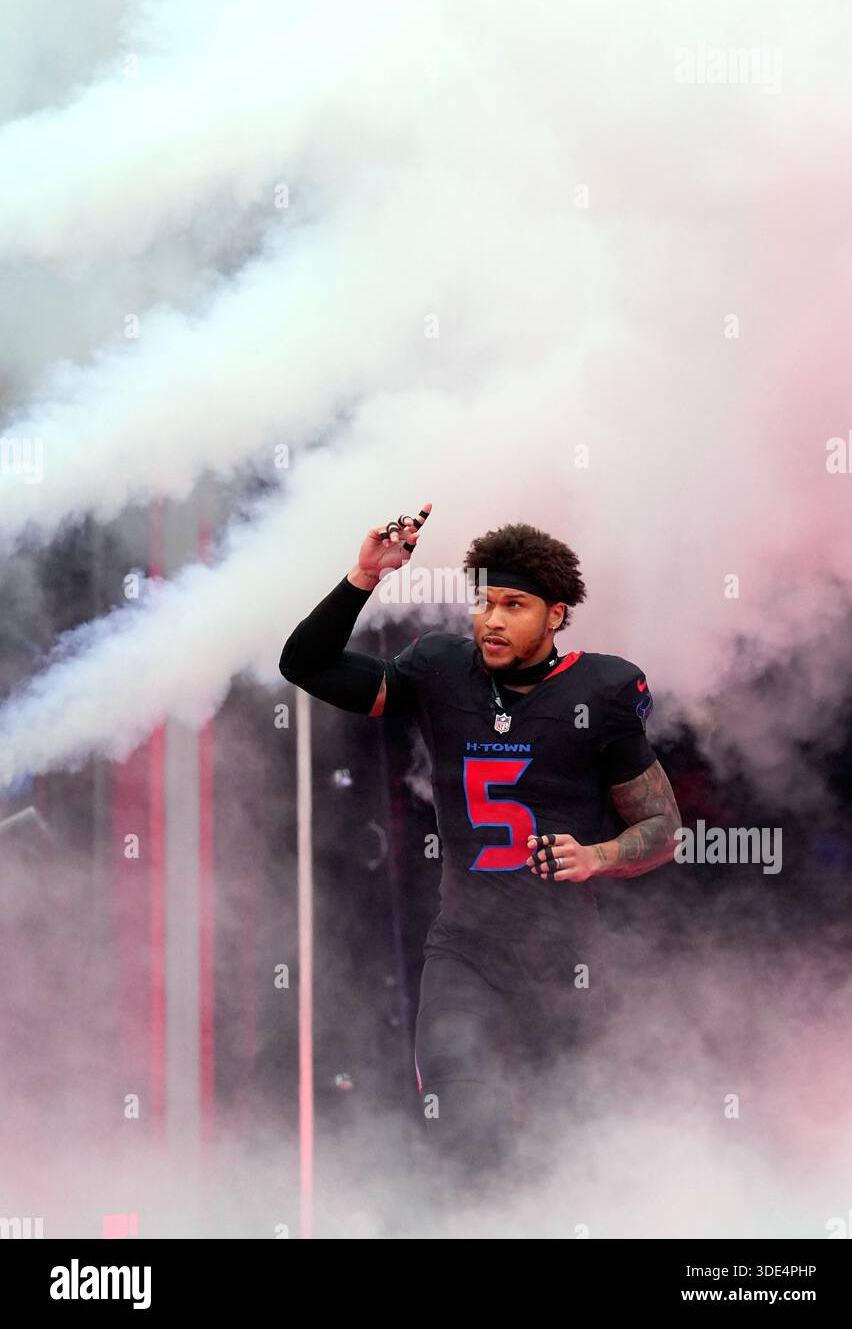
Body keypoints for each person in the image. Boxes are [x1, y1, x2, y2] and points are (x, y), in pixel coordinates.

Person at [278, 505, 681, 1205]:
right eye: (485, 602)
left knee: (573, 1143)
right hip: (465, 944)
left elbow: (661, 825)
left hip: (564, 956)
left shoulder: (602, 691)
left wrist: (598, 855)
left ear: (556, 615)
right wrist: (363, 577)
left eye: (514, 605)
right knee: (456, 1094)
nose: (491, 620)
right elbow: (304, 663)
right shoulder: (441, 669)